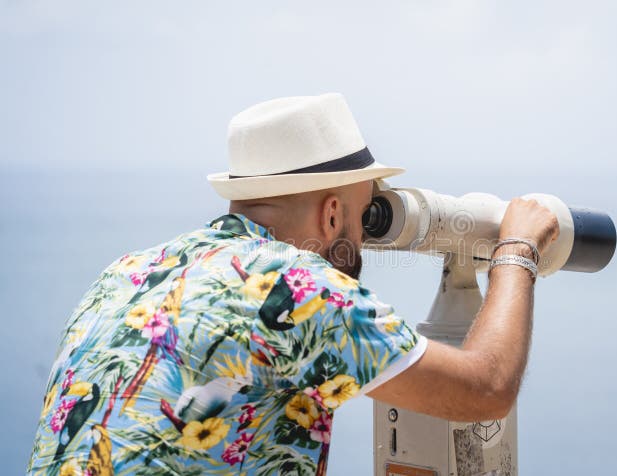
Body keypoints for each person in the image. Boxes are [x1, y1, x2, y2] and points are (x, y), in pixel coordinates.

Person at [27, 93, 559, 475]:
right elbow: (485, 390)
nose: (365, 233)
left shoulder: (123, 274)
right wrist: (517, 250)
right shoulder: (297, 288)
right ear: (331, 214)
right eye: (364, 209)